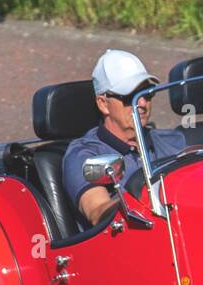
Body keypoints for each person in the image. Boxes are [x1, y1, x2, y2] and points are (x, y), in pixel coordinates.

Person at [62, 50, 186, 226]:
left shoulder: (172, 140)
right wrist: (150, 194)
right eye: (130, 96)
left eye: (147, 93)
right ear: (103, 104)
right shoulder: (86, 155)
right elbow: (97, 212)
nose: (142, 103)